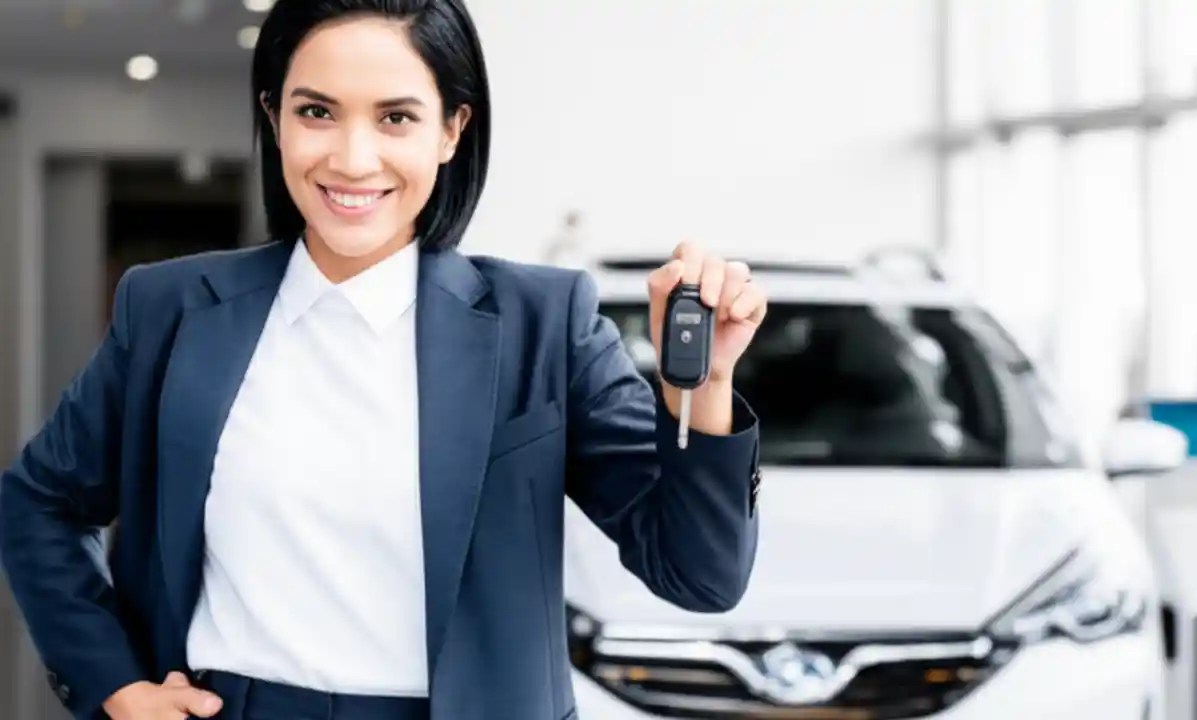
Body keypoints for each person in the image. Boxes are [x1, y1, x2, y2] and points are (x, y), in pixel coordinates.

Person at [0, 2, 768, 719]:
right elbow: (37, 500)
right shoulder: (171, 307)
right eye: (316, 112)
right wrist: (116, 684)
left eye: (395, 117)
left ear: (451, 129)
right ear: (275, 117)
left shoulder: (543, 323)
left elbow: (698, 576)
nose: (352, 158)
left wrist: (704, 383)